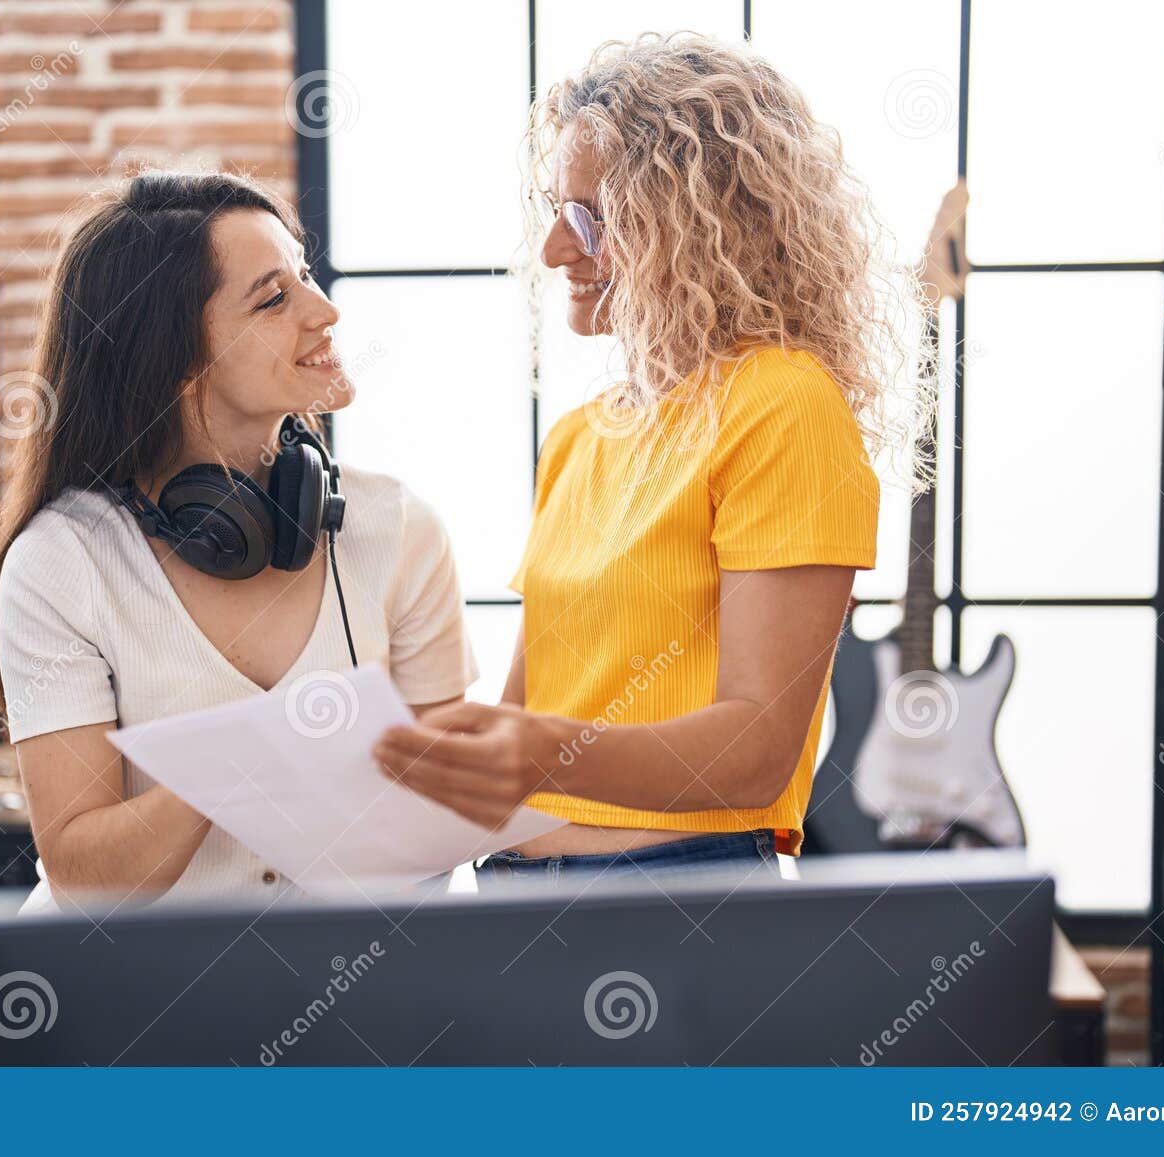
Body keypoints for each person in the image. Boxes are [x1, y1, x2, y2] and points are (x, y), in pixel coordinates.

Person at [374, 33, 929, 890]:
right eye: (556, 212)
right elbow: (526, 719)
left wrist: (537, 752)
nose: (555, 250)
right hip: (511, 889)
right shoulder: (577, 438)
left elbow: (755, 751)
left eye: (592, 217)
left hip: (680, 894)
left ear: (702, 225)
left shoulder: (784, 403)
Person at [0, 171, 477, 1063]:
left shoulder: (398, 530)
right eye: (274, 298)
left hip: (329, 1025)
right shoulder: (64, 559)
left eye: (306, 276)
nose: (325, 312)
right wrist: (241, 766)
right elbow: (85, 874)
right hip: (110, 1027)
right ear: (174, 355)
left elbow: (447, 811)